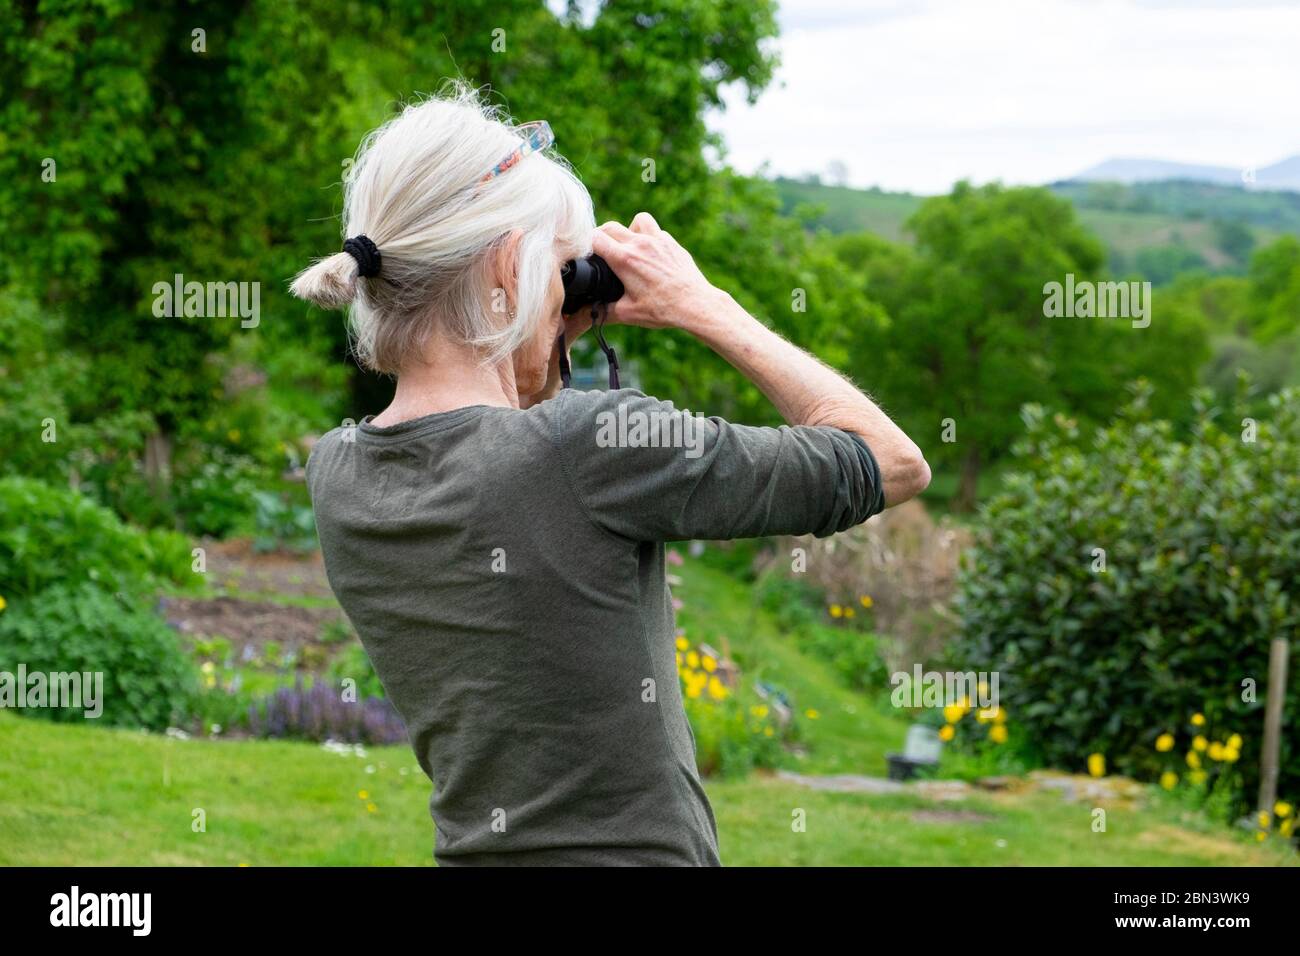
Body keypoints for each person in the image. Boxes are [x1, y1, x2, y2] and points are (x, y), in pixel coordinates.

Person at [291, 85, 929, 866]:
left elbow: (493, 448)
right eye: (564, 273)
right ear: (505, 266)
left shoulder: (340, 473)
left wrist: (534, 326)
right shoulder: (584, 445)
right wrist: (703, 305)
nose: (571, 298)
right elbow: (890, 462)